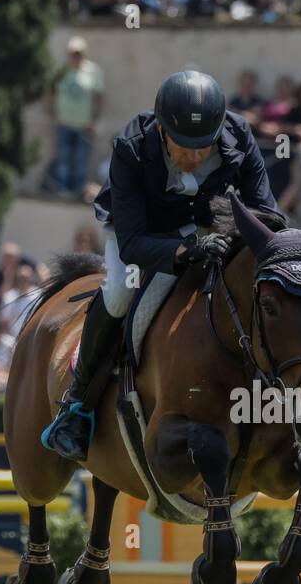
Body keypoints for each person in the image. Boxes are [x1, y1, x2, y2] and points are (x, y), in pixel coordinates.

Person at [40, 70, 284, 462]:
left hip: (208, 223)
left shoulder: (238, 134)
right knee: (119, 293)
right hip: (142, 233)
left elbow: (267, 214)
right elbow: (134, 242)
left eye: (202, 148)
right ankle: (77, 404)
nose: (193, 158)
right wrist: (184, 252)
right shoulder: (131, 147)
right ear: (161, 128)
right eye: (183, 147)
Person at [48, 37, 105, 198]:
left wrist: (94, 120)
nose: (75, 56)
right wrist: (53, 114)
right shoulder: (62, 71)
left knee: (81, 161)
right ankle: (63, 191)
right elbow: (51, 93)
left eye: (78, 53)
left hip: (84, 125)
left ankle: (78, 193)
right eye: (73, 53)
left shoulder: (93, 71)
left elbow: (99, 98)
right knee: (64, 159)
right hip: (64, 123)